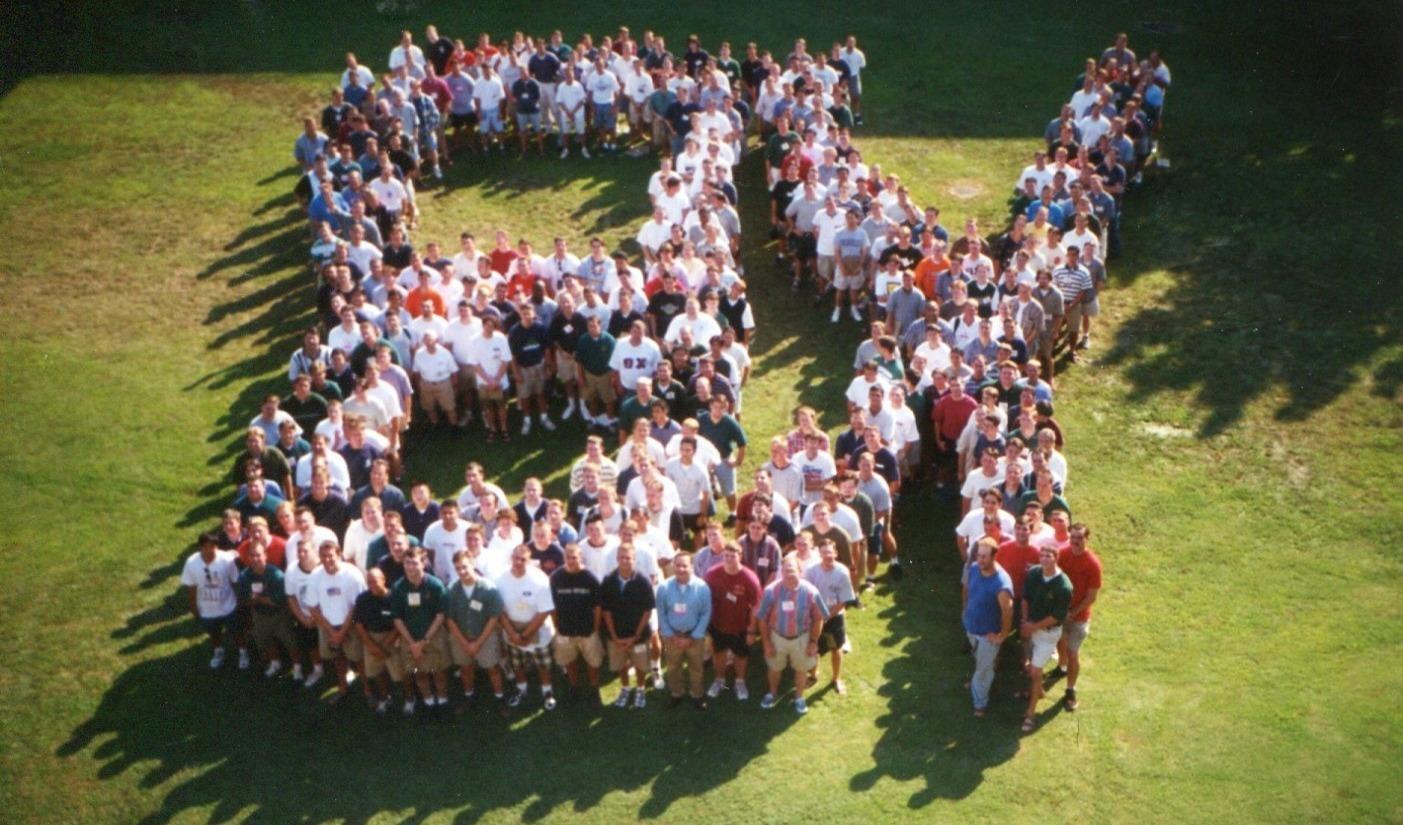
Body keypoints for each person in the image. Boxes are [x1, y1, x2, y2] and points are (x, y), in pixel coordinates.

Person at [756, 556, 829, 714]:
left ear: (800, 572)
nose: (789, 574)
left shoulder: (811, 592)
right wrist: (766, 643)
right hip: (777, 637)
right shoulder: (770, 591)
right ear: (781, 572)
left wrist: (813, 642)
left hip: (801, 637)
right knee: (774, 668)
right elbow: (762, 619)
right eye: (786, 571)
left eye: (792, 571)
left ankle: (799, 697)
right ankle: (772, 693)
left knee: (801, 669)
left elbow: (818, 619)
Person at [444, 549, 510, 717]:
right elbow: (449, 619)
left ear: (473, 564)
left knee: (492, 669)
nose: (462, 571)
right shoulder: (452, 589)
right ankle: (468, 696)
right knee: (465, 669)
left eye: (465, 567)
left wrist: (478, 643)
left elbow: (494, 618)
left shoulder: (488, 588)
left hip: (485, 636)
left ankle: (500, 698)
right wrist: (465, 643)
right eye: (458, 568)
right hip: (461, 637)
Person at [497, 543, 558, 710]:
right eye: (516, 558)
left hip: (537, 628)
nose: (518, 562)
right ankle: (521, 689)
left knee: (543, 665)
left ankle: (547, 691)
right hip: (511, 628)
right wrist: (513, 634)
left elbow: (544, 611)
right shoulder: (501, 579)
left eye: (522, 559)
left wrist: (525, 635)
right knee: (517, 664)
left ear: (529, 561)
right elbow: (499, 611)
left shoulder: (540, 579)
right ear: (511, 558)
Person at [391, 547, 450, 718]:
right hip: (409, 638)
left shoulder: (435, 585)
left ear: (423, 563)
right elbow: (397, 619)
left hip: (433, 635)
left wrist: (424, 641)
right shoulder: (398, 587)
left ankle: (443, 702)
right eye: (407, 563)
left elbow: (440, 616)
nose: (410, 567)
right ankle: (428, 703)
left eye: (414, 563)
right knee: (420, 674)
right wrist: (412, 643)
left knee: (439, 673)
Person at [1020, 544, 1073, 732]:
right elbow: (1025, 597)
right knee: (1028, 666)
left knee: (1035, 673)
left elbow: (1057, 616)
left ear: (1056, 558)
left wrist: (1032, 627)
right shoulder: (1034, 573)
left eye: (1048, 556)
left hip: (1048, 634)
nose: (1044, 559)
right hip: (1030, 626)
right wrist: (1025, 622)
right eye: (1041, 555)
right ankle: (1038, 691)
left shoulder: (1064, 586)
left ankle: (1030, 715)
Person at [306, 540, 367, 697]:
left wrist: (341, 633)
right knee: (336, 658)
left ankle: (367, 689)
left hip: (351, 624)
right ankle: (343, 687)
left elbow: (357, 607)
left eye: (331, 556)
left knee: (358, 658)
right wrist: (332, 631)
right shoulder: (315, 576)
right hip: (327, 626)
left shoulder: (352, 574)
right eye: (323, 556)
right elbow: (312, 607)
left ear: (339, 555)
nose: (327, 560)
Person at [704, 542, 762, 702]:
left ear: (740, 557)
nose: (729, 559)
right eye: (726, 556)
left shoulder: (750, 578)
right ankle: (719, 680)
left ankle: (740, 681)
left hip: (741, 626)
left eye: (733, 556)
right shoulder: (712, 574)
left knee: (741, 656)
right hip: (718, 624)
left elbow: (756, 606)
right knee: (718, 653)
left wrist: (751, 630)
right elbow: (704, 599)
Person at [600, 543, 656, 709]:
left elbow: (647, 611)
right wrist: (614, 637)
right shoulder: (608, 581)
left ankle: (640, 689)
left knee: (640, 665)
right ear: (617, 559)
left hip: (638, 636)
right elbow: (606, 611)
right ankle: (625, 688)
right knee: (622, 665)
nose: (625, 561)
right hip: (616, 636)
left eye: (629, 558)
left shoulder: (643, 582)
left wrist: (636, 636)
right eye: (622, 558)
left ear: (634, 559)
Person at [961, 538, 1013, 716]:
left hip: (988, 635)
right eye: (978, 555)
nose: (980, 560)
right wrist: (965, 611)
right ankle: (977, 683)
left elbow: (1008, 611)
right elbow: (968, 589)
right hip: (972, 627)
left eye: (984, 557)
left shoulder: (1001, 584)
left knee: (984, 669)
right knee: (980, 660)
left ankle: (980, 703)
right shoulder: (975, 568)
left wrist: (1002, 636)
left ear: (994, 556)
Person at [655, 552, 712, 709]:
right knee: (673, 667)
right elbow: (661, 612)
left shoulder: (702, 587)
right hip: (672, 637)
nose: (680, 569)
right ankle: (676, 693)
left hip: (695, 637)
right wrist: (671, 635)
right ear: (673, 566)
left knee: (696, 667)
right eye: (677, 565)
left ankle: (697, 694)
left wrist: (692, 637)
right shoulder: (664, 587)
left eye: (684, 565)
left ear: (692, 567)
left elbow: (706, 613)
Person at [181, 532, 244, 670]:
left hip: (228, 605)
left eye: (213, 546)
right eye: (206, 547)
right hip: (207, 610)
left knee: (236, 631)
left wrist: (238, 602)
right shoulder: (191, 563)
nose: (210, 550)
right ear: (200, 548)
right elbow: (191, 587)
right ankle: (218, 652)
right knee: (214, 634)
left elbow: (235, 581)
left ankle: (243, 652)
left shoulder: (226, 560)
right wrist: (194, 607)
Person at [1056, 523, 1102, 712]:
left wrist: (1072, 613)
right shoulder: (1062, 554)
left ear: (1086, 539)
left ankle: (1070, 689)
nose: (1075, 541)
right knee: (1061, 643)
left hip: (1079, 616)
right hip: (1060, 613)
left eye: (1079, 538)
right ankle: (1061, 666)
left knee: (1073, 653)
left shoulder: (1093, 564)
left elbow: (1092, 596)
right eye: (1072, 537)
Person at [237, 539, 299, 679]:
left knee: (290, 641)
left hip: (280, 614)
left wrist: (259, 599)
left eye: (258, 555)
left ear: (265, 555)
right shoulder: (245, 576)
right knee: (266, 639)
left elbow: (281, 599)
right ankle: (275, 663)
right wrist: (256, 600)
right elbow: (243, 599)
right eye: (252, 555)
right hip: (259, 614)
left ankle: (297, 667)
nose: (255, 558)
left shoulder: (276, 574)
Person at [805, 538, 856, 693]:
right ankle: (813, 675)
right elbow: (806, 595)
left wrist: (827, 615)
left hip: (834, 617)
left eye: (830, 552)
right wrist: (816, 615)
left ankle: (836, 678)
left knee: (836, 648)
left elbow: (843, 600)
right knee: (814, 646)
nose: (827, 555)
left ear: (835, 553)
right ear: (819, 554)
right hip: (814, 616)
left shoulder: (842, 572)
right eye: (824, 552)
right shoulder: (812, 571)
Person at [350, 567, 400, 714]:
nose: (372, 585)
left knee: (399, 675)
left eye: (375, 581)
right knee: (375, 673)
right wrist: (371, 646)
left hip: (392, 638)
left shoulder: (394, 597)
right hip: (370, 638)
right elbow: (358, 624)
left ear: (384, 580)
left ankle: (408, 699)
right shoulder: (363, 599)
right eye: (369, 582)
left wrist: (383, 646)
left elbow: (399, 624)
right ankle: (384, 698)